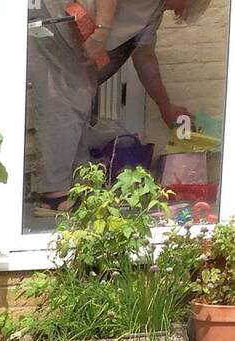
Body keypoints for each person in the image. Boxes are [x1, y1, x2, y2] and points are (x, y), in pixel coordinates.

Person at [31, 0, 207, 216]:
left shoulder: (153, 13)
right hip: (62, 20)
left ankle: (75, 187)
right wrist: (101, 32)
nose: (179, 11)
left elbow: (145, 60)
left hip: (75, 30)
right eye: (186, 5)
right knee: (62, 103)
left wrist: (165, 107)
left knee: (74, 102)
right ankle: (54, 194)